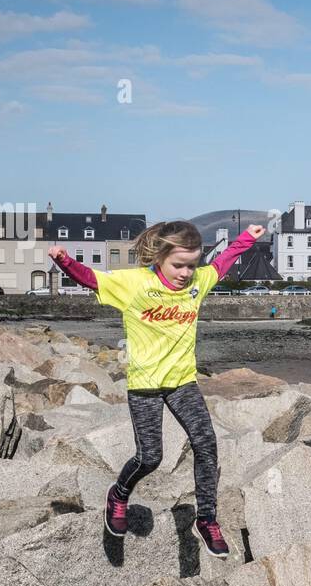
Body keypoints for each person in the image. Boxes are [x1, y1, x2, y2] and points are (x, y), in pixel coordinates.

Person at [48, 221, 262, 556]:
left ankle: (206, 519)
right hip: (145, 386)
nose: (185, 273)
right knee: (151, 457)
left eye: (191, 265)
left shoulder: (197, 283)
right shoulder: (135, 284)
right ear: (159, 257)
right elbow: (93, 279)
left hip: (182, 383)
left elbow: (222, 262)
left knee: (206, 443)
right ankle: (118, 495)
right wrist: (64, 261)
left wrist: (246, 238)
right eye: (178, 265)